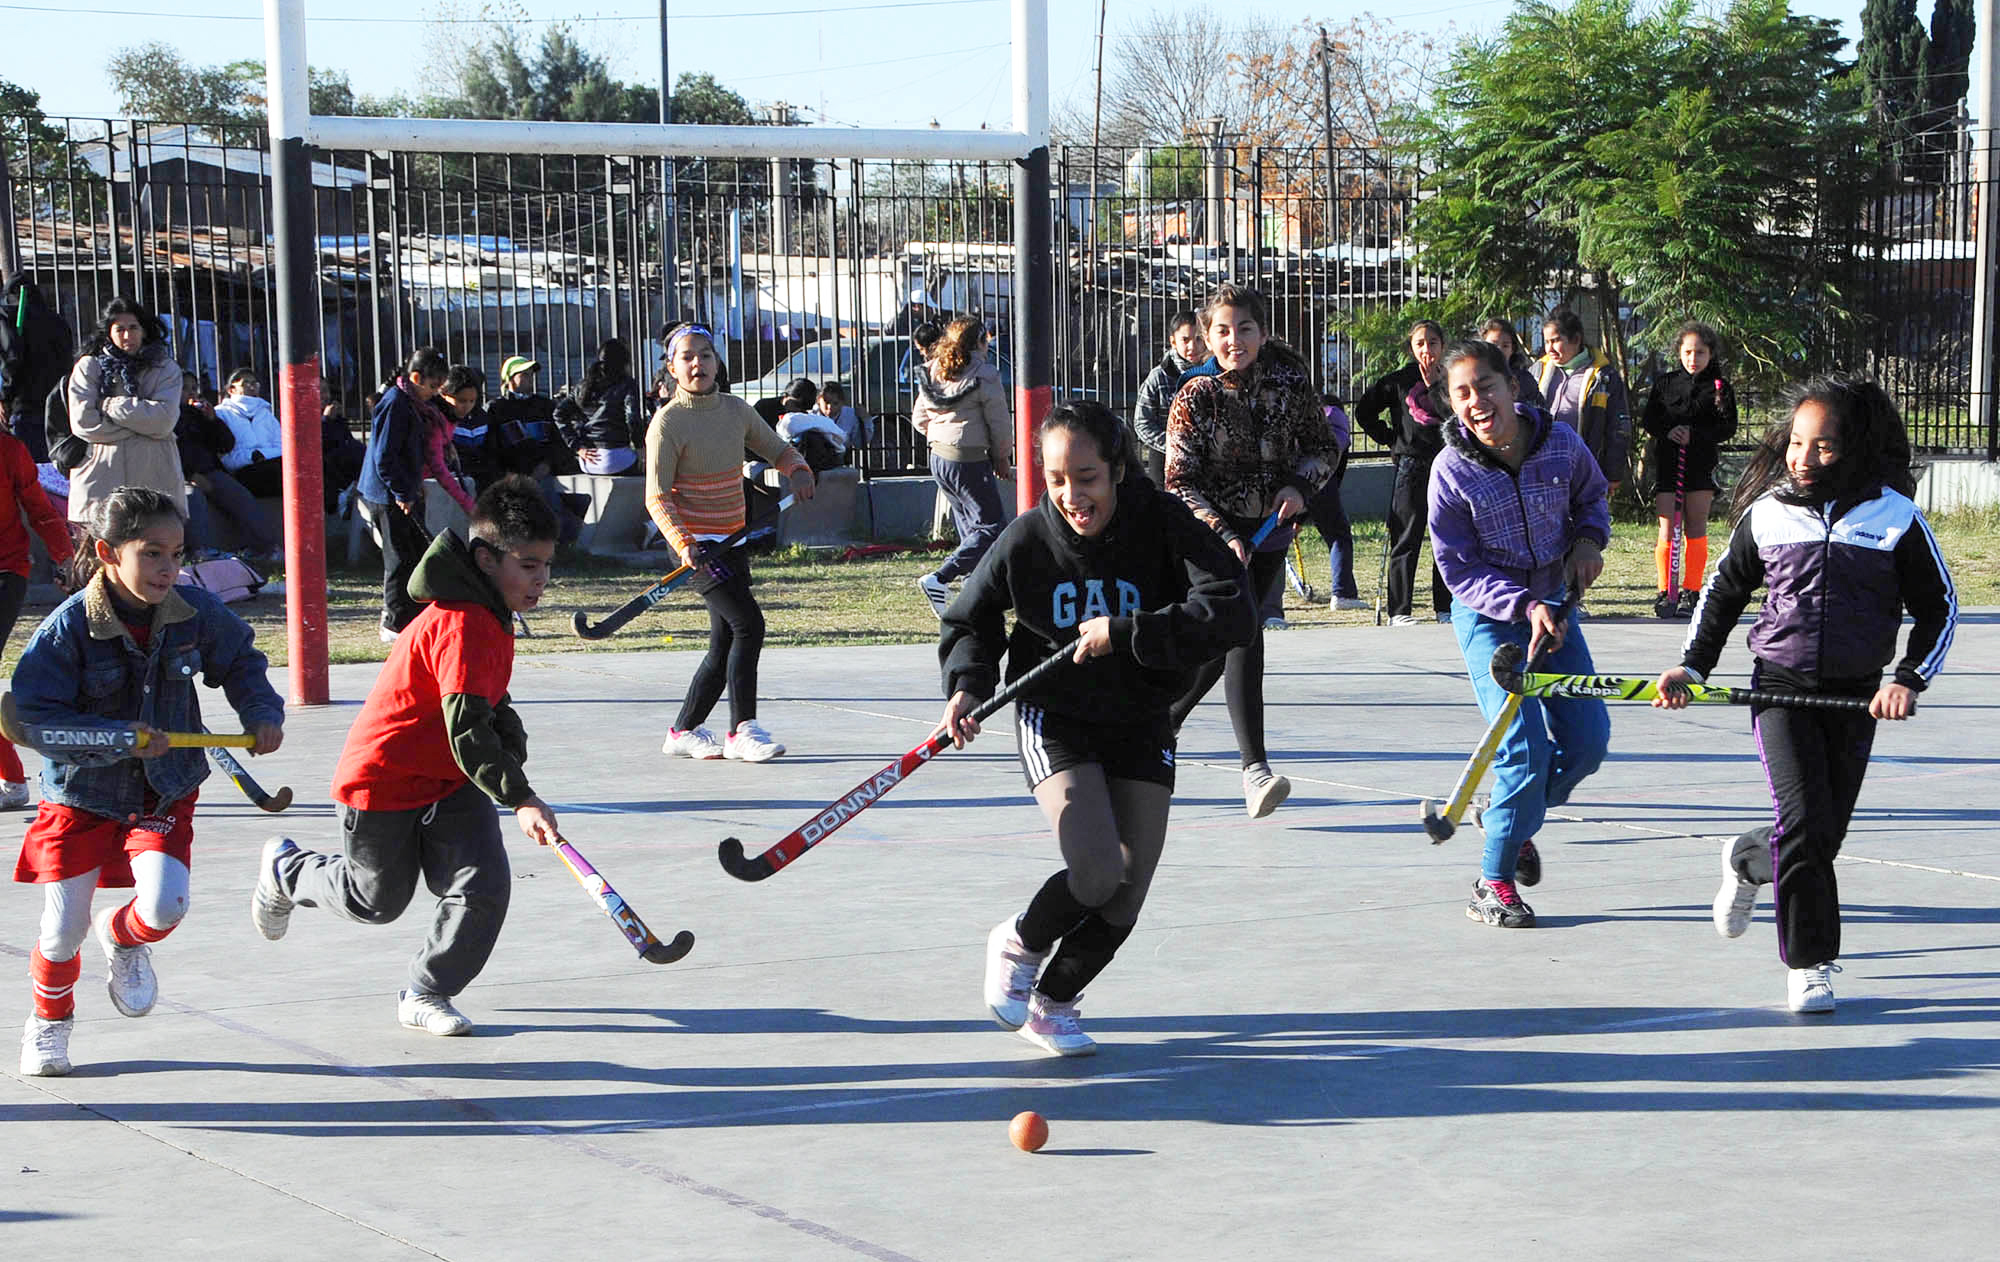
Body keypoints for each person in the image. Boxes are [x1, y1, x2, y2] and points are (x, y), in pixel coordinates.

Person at [944, 402, 1253, 1056]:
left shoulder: (1164, 523)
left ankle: (1054, 1004)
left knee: (1127, 889)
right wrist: (968, 685)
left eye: (1085, 477)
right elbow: (972, 620)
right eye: (1056, 479)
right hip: (1056, 715)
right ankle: (1020, 942)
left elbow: (1232, 613)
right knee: (1094, 872)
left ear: (1116, 470)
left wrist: (1129, 633)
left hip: (1140, 718)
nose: (1070, 494)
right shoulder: (1029, 538)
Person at [1654, 377, 1956, 1014]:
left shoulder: (1894, 516)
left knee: (1819, 835)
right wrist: (1692, 668)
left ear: (1854, 449)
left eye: (1822, 446)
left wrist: (1907, 678)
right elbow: (1723, 595)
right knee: (1804, 822)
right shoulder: (1768, 513)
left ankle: (1746, 862)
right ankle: (1810, 963)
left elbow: (1939, 608)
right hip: (1781, 690)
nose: (1802, 457)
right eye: (1796, 442)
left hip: (1856, 696)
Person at [249, 476, 562, 1038]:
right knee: (374, 901)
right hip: (385, 780)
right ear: (487, 558)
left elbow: (491, 702)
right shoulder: (463, 622)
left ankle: (426, 991)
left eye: (546, 565)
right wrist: (520, 797)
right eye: (529, 565)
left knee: (482, 885)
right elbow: (466, 724)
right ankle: (288, 871)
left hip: (450, 782)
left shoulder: (491, 613)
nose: (542, 579)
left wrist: (511, 752)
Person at [14, 486, 284, 1076]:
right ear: (109, 553)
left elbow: (241, 659)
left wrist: (261, 713)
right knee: (61, 933)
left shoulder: (195, 609)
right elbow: (34, 719)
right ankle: (49, 1024)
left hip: (163, 787)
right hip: (81, 797)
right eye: (152, 553)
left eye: (177, 553)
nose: (169, 568)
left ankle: (124, 937)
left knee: (163, 905)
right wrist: (114, 735)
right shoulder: (66, 630)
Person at [1429, 339, 1612, 929]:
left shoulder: (1561, 442)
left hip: (1556, 610)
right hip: (1491, 618)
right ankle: (1494, 880)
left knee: (1587, 743)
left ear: (1512, 385)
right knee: (1524, 748)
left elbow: (1592, 498)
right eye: (1463, 393)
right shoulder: (1449, 470)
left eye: (1487, 385)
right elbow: (1457, 569)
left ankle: (1512, 815)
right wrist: (1522, 602)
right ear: (1452, 404)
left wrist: (1587, 542)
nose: (1477, 401)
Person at [1165, 282, 1337, 817]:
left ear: (1262, 332)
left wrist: (1300, 487)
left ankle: (1161, 723)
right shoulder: (1194, 395)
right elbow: (1178, 481)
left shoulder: (1289, 380)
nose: (1233, 339)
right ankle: (1254, 770)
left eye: (1244, 328)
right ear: (1205, 336)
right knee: (1244, 636)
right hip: (1211, 536)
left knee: (1221, 648)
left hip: (1270, 532)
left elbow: (1321, 445)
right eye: (1222, 330)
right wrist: (1223, 533)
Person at [646, 323, 816, 762]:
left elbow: (777, 449)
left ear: (717, 361)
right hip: (697, 547)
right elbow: (657, 495)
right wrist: (683, 542)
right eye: (687, 357)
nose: (697, 363)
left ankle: (682, 730)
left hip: (731, 541)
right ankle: (743, 729)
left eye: (705, 354)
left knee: (724, 641)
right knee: (749, 625)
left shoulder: (735, 410)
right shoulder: (668, 422)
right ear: (671, 368)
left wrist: (797, 468)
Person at [913, 316, 1012, 618]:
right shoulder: (985, 374)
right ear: (981, 341)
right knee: (991, 527)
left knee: (970, 528)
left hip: (938, 457)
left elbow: (919, 417)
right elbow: (999, 423)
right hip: (968, 457)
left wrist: (940, 434)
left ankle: (973, 592)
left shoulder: (935, 369)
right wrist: (1001, 455)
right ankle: (940, 577)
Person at [1639, 321, 1738, 619]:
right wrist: (1670, 431)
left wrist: (1695, 435)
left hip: (1699, 463)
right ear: (1679, 353)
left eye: (1700, 353)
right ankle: (1664, 590)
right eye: (1688, 352)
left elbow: (1727, 426)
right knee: (1667, 528)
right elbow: (1650, 421)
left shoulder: (1720, 387)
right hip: (1669, 462)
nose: (1693, 358)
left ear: (1710, 354)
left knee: (1696, 527)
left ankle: (1691, 591)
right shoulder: (1665, 383)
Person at [1354, 320, 1450, 624]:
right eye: (1420, 343)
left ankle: (1445, 607)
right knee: (1406, 537)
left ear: (1442, 346)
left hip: (1447, 467)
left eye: (1432, 342)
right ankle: (1400, 610)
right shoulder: (1399, 381)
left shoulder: (1451, 380)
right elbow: (1365, 411)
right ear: (1412, 347)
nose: (1427, 349)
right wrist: (1389, 437)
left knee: (1446, 539)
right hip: (1411, 466)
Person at [0, 418, 74, 810]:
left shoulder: (10, 451)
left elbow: (41, 512)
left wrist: (66, 559)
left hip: (5, 571)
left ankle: (13, 781)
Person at [65, 297, 185, 528]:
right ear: (108, 332)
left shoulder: (165, 369)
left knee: (151, 553)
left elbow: (164, 421)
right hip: (101, 481)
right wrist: (142, 426)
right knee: (99, 560)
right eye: (120, 329)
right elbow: (84, 423)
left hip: (155, 479)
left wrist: (109, 406)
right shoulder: (89, 366)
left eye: (133, 328)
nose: (127, 336)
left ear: (144, 330)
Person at [360, 347, 451, 640]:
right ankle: (393, 622)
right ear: (415, 378)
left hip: (406, 488)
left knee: (415, 555)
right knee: (398, 558)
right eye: (434, 386)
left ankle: (413, 616)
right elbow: (384, 457)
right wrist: (402, 491)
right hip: (388, 494)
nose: (436, 393)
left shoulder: (412, 403)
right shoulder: (396, 404)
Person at [178, 373, 280, 560]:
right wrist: (190, 475)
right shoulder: (168, 417)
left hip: (210, 471)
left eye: (194, 388)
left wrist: (212, 420)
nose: (190, 393)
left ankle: (266, 547)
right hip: (181, 476)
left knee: (240, 497)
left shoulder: (198, 415)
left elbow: (225, 445)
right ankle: (199, 551)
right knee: (193, 498)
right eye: (184, 388)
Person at [1536, 306, 1632, 496]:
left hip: (1584, 468)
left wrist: (1613, 471)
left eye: (1556, 341)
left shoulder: (1604, 378)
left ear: (1576, 339)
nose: (1550, 349)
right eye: (1547, 342)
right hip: (1541, 468)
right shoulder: (1537, 371)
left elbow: (1618, 426)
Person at [1131, 310, 1208, 487]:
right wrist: (1174, 446)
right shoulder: (1159, 376)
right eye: (1185, 340)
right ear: (1173, 341)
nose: (1193, 346)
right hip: (1165, 461)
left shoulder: (1214, 374)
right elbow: (1142, 422)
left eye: (1198, 339)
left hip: (1205, 463)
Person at [556, 338, 643, 475]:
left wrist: (578, 447)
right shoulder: (627, 384)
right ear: (624, 362)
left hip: (587, 461)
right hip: (616, 458)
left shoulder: (583, 386)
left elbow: (559, 413)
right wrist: (640, 448)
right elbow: (632, 419)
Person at [489, 355, 569, 478]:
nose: (530, 379)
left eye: (531, 375)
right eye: (524, 375)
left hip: (545, 473)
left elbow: (559, 440)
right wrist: (505, 472)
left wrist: (547, 464)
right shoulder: (496, 408)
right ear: (510, 379)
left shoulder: (546, 405)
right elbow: (492, 446)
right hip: (510, 476)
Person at [214, 368, 286, 497]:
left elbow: (282, 445)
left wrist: (262, 454)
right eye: (246, 383)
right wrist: (251, 457)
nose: (252, 387)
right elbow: (224, 456)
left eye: (255, 383)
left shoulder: (265, 413)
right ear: (231, 390)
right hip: (243, 472)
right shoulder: (221, 413)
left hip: (272, 464)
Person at [444, 365, 502, 490]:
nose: (467, 406)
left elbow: (492, 452)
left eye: (472, 401)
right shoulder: (438, 420)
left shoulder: (483, 418)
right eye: (461, 400)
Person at [1478, 317, 1545, 409]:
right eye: (1493, 344)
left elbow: (1541, 412)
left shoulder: (1524, 379)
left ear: (1512, 349)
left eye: (1505, 345)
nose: (1499, 350)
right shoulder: (1475, 377)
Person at [816, 382, 871, 453]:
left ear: (842, 403)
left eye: (835, 403)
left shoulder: (850, 415)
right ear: (818, 401)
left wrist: (866, 420)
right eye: (826, 402)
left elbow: (860, 443)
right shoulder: (811, 415)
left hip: (842, 456)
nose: (830, 407)